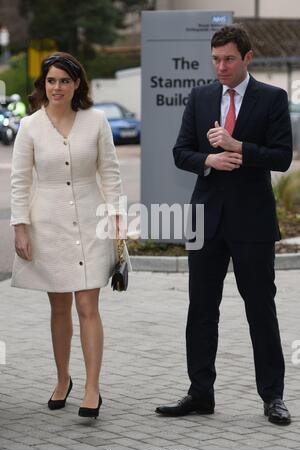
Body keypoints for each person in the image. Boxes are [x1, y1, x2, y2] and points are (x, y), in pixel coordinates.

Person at [156, 24, 292, 425]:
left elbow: (282, 156)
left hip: (252, 221)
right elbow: (181, 152)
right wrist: (209, 160)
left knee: (260, 310)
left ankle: (273, 397)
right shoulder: (200, 97)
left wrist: (239, 149)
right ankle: (200, 394)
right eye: (215, 59)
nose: (220, 66)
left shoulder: (272, 98)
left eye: (228, 59)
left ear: (247, 58)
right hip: (205, 218)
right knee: (201, 310)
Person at [10, 52, 127, 419]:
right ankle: (63, 378)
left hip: (92, 223)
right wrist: (20, 227)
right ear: (42, 85)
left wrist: (119, 221)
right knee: (59, 307)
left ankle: (93, 388)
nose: (57, 87)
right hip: (47, 225)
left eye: (64, 80)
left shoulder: (96, 121)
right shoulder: (29, 126)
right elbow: (19, 181)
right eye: (51, 81)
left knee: (88, 306)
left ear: (77, 84)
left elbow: (110, 173)